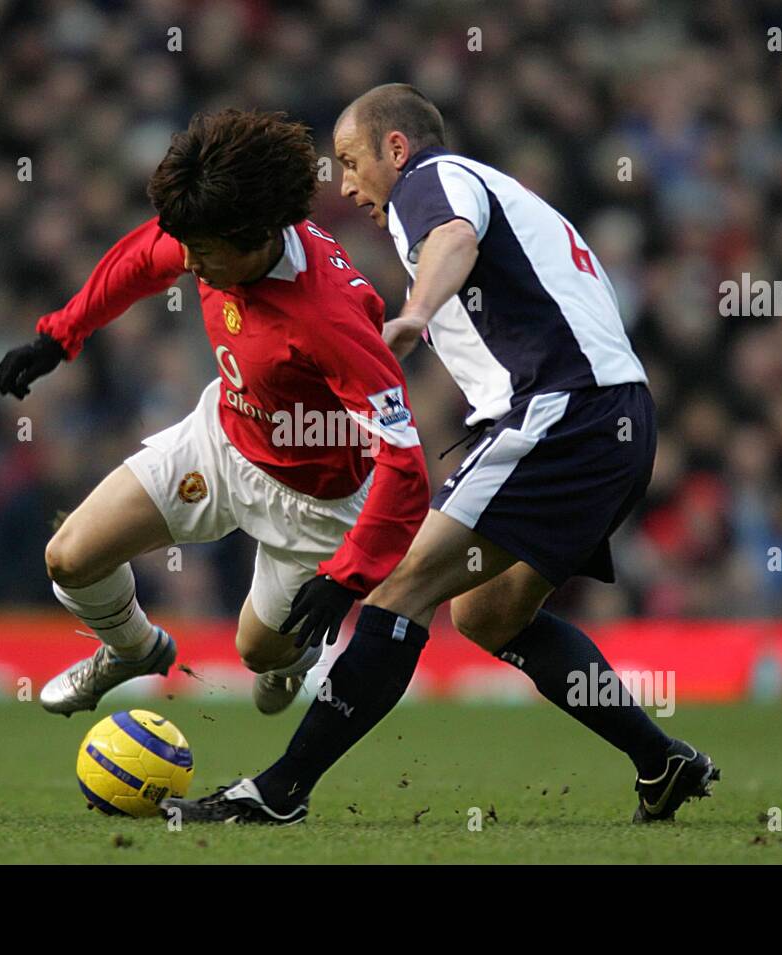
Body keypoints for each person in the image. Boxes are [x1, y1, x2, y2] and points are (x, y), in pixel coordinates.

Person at [164, 85, 718, 825]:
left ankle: (280, 790)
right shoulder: (497, 190)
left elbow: (453, 237)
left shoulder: (431, 180)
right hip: (614, 417)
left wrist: (416, 315)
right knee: (490, 616)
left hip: (563, 412)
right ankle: (661, 760)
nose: (348, 183)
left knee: (400, 590)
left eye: (352, 161)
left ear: (396, 147)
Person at [0, 109, 428, 719]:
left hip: (316, 501)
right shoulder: (215, 230)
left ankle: (289, 659)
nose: (191, 264)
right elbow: (143, 258)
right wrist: (60, 336)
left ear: (256, 239)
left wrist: (349, 575)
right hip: (222, 437)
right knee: (69, 556)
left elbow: (405, 464)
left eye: (203, 254)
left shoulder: (328, 319)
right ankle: (133, 650)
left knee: (257, 652)